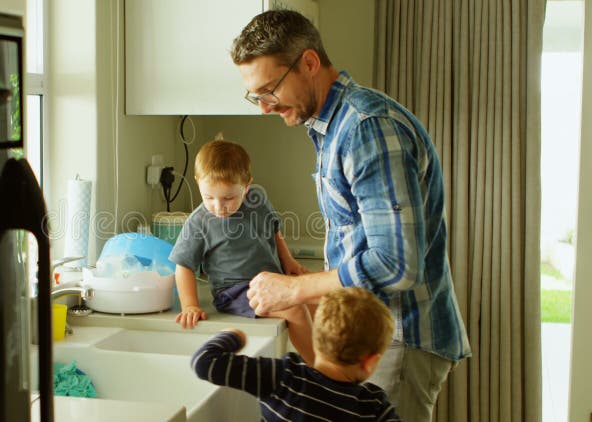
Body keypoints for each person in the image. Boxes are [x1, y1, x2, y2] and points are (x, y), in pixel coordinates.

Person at [231, 9, 471, 421]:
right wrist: (312, 283)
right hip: (381, 335)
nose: (265, 108)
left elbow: (396, 265)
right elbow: (363, 241)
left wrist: (295, 292)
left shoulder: (366, 128)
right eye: (256, 96)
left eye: (270, 90)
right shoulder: (334, 126)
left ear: (308, 63)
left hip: (397, 336)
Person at [169, 139, 315, 364]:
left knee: (318, 301)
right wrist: (190, 305)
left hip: (273, 281)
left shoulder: (258, 199)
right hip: (235, 291)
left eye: (229, 198)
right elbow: (183, 266)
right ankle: (321, 374)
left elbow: (273, 231)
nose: (219, 207)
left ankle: (331, 363)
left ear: (247, 186)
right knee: (295, 310)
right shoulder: (198, 222)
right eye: (209, 197)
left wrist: (289, 263)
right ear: (198, 183)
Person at [192, 287, 400, 421]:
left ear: (316, 336)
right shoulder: (373, 407)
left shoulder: (283, 377)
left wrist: (233, 337)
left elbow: (204, 362)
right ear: (371, 361)